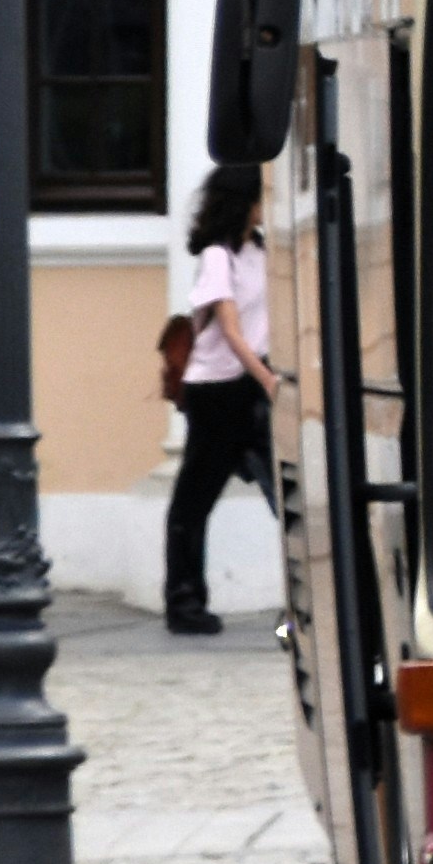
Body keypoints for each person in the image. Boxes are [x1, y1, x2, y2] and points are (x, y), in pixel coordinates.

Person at [170, 161, 276, 637]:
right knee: (195, 499)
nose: (266, 205)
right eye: (260, 196)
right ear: (242, 201)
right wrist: (268, 381)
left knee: (287, 491)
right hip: (218, 390)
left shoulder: (262, 250)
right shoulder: (219, 256)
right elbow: (231, 331)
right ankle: (185, 602)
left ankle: (311, 592)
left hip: (256, 382)